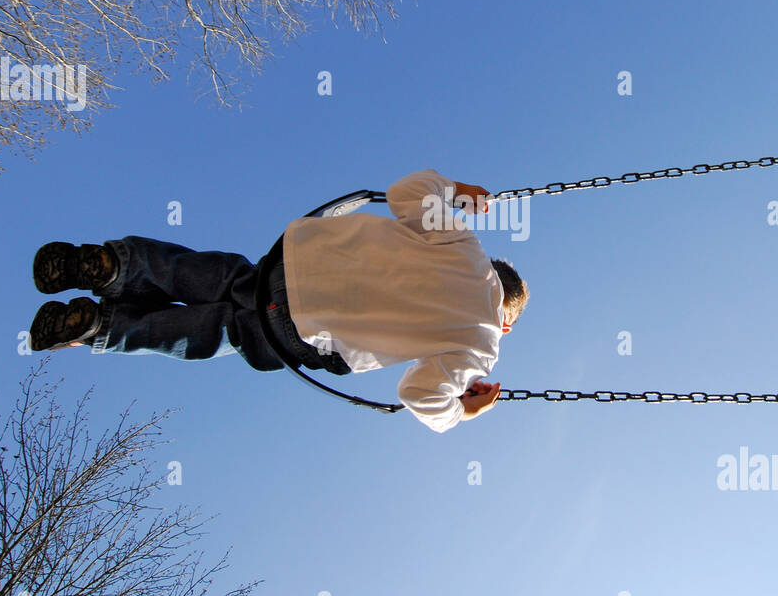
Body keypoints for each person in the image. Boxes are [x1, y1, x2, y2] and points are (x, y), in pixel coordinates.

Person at [28, 170, 528, 433]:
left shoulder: (464, 246)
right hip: (306, 331)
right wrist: (461, 412)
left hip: (293, 263)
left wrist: (455, 189)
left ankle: (117, 266)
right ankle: (101, 326)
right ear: (506, 323)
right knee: (215, 333)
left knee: (210, 275)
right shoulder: (481, 345)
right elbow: (420, 395)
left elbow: (404, 192)